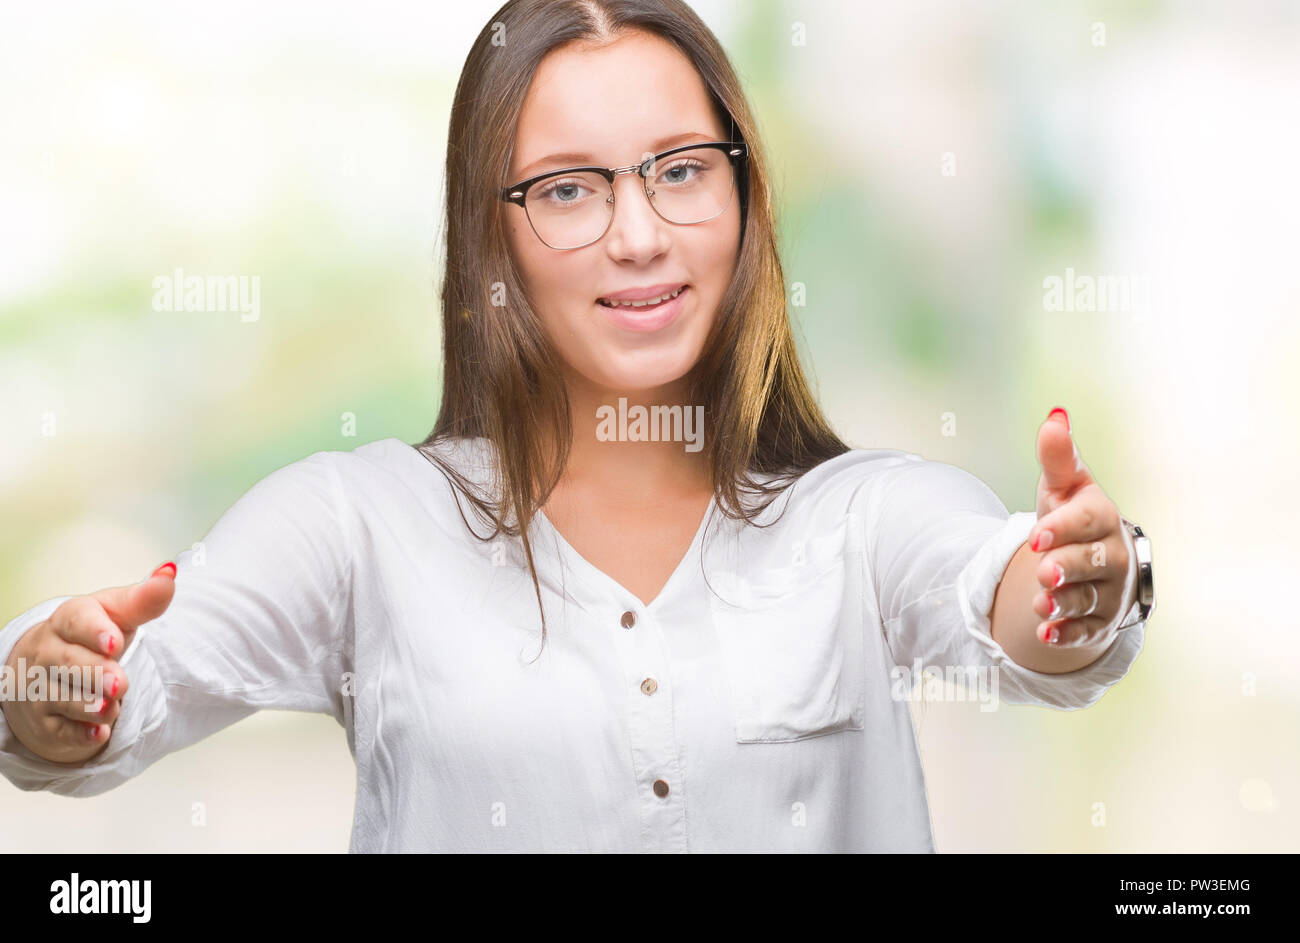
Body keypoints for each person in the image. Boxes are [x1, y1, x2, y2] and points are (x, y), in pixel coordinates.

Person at [0, 0, 1151, 852]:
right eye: (568, 188)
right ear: (486, 235)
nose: (639, 234)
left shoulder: (861, 517)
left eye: (681, 172)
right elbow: (105, 693)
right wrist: (55, 685)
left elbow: (1004, 598)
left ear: (744, 199)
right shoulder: (361, 525)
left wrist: (1074, 584)